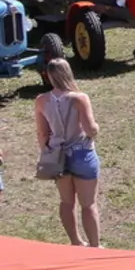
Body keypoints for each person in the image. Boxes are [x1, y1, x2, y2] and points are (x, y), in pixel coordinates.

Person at [34, 61, 100, 247]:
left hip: (57, 156)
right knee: (88, 205)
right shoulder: (79, 98)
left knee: (66, 202)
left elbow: (42, 133)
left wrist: (47, 153)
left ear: (49, 75)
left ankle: (76, 242)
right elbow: (90, 129)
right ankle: (95, 245)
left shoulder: (41, 100)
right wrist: (97, 127)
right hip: (82, 154)